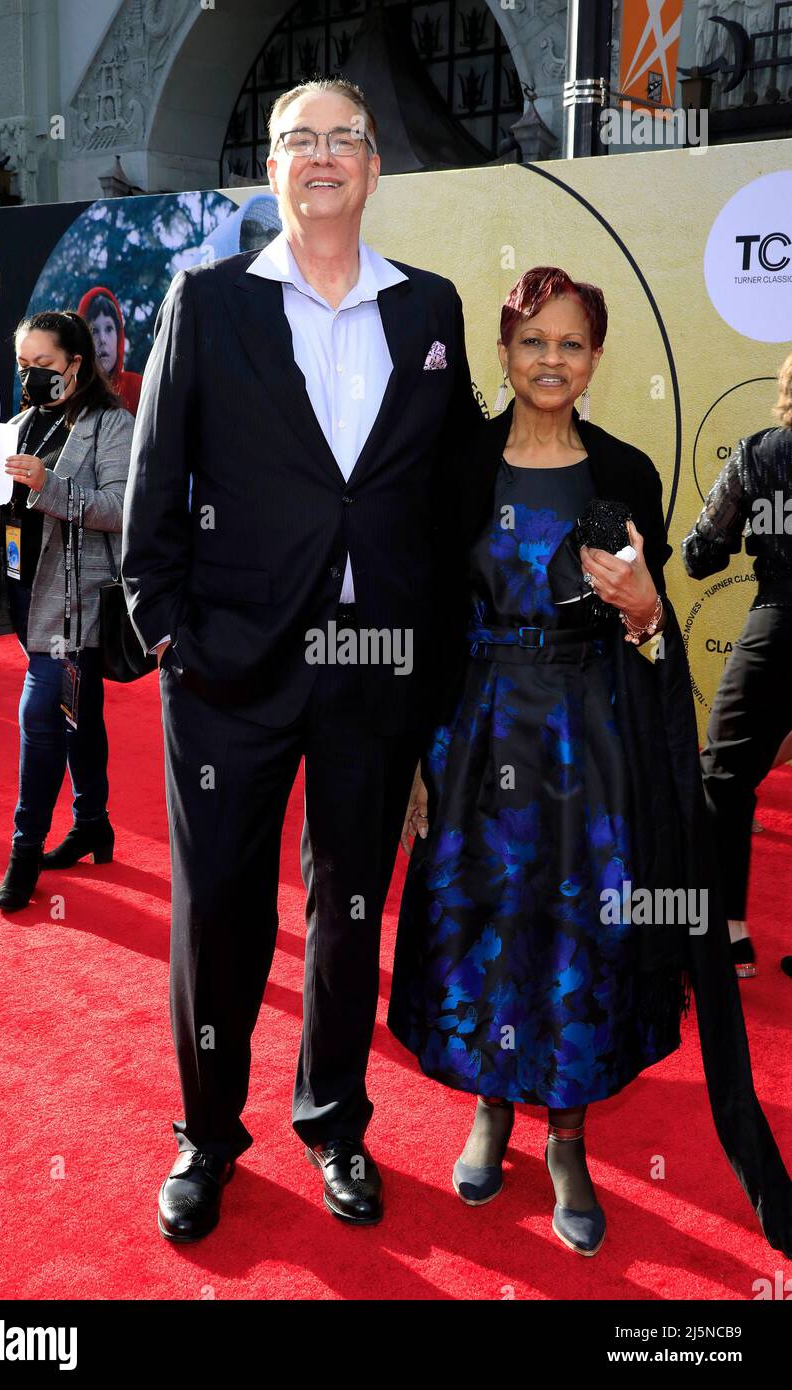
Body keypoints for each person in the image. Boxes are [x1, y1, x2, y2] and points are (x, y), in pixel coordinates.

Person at [122, 77, 481, 1242]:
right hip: (228, 667)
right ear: (268, 167)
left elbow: (442, 495)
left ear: (374, 167)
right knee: (218, 908)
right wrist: (167, 628)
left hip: (373, 670)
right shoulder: (208, 299)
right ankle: (206, 1135)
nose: (321, 156)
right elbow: (156, 479)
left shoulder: (428, 311)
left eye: (343, 138)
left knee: (349, 907)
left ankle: (333, 1121)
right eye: (297, 140)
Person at [388, 268, 792, 1259]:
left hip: (590, 734)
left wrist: (648, 612)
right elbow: (430, 616)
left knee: (579, 924)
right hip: (479, 726)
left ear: (595, 357)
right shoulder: (458, 467)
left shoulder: (625, 470)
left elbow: (647, 627)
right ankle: (490, 1105)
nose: (550, 361)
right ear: (503, 351)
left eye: (570, 344)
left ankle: (566, 1138)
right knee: (481, 914)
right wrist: (412, 754)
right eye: (532, 342)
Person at [0, 311, 134, 910]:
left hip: (77, 607)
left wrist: (48, 485)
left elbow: (121, 508)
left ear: (75, 364)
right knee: (78, 715)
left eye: (42, 365)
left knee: (41, 717)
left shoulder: (110, 424)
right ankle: (93, 821)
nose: (30, 376)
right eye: (22, 365)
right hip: (24, 596)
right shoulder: (17, 425)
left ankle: (24, 853)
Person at [682, 350, 792, 981]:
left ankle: (727, 932)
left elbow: (702, 553)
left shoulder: (759, 454)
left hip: (780, 625)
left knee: (723, 778)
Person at [78, 287, 143, 416]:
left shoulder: (139, 387)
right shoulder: (73, 394)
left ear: (118, 336)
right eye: (94, 331)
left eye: (109, 329)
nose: (102, 339)